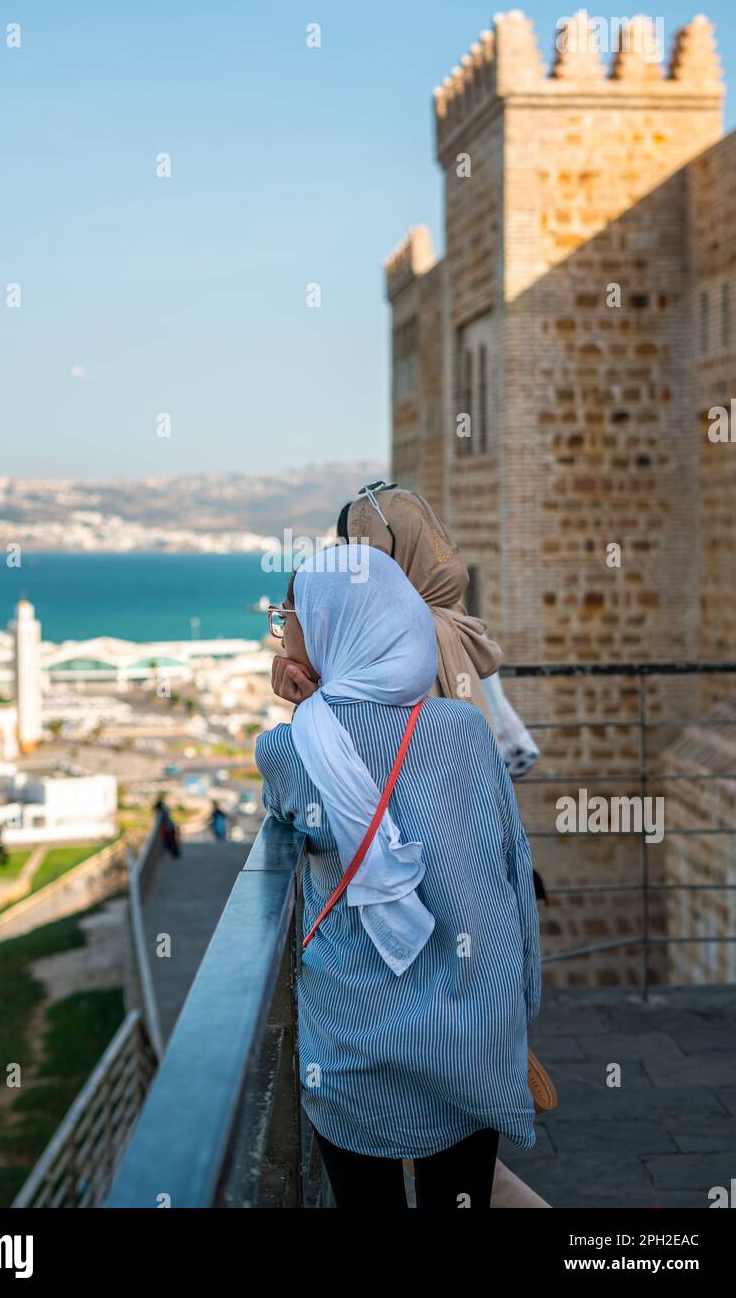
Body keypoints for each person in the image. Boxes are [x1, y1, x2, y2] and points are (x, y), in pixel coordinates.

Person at [270, 484, 550, 1208]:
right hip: (472, 1035)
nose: (279, 635)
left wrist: (305, 709)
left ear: (331, 629)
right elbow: (515, 873)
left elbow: (305, 800)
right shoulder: (461, 731)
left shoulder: (287, 748)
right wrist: (518, 1006)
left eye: (287, 620)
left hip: (356, 1051)